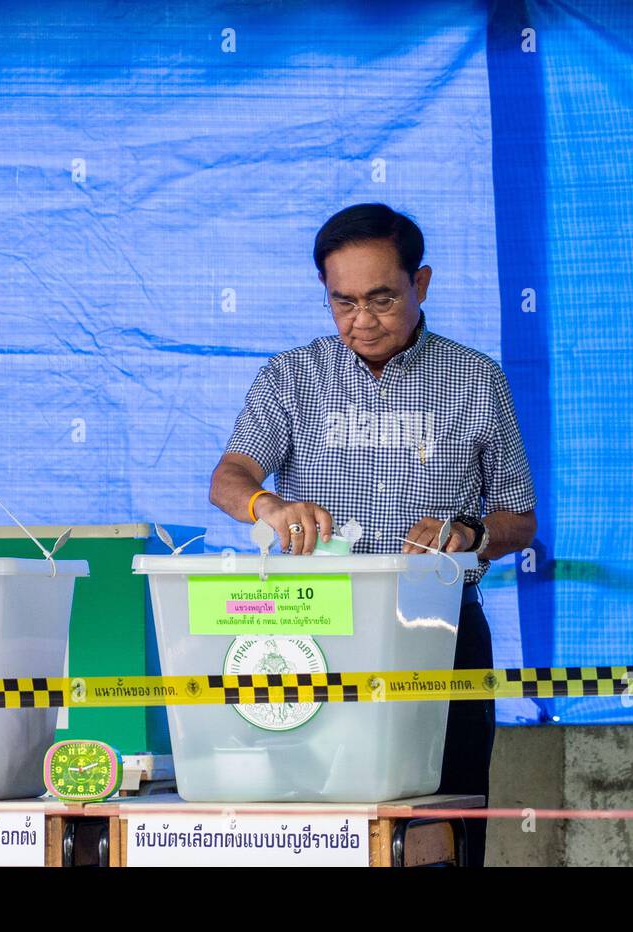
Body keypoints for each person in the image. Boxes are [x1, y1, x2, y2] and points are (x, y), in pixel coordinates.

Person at [208, 202, 537, 866]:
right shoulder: (290, 378)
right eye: (343, 303)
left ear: (422, 284)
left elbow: (520, 521)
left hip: (438, 629)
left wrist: (471, 533)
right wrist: (268, 505)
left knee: (444, 812)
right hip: (313, 630)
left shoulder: (477, 381)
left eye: (382, 299)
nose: (362, 320)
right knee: (317, 814)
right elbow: (229, 477)